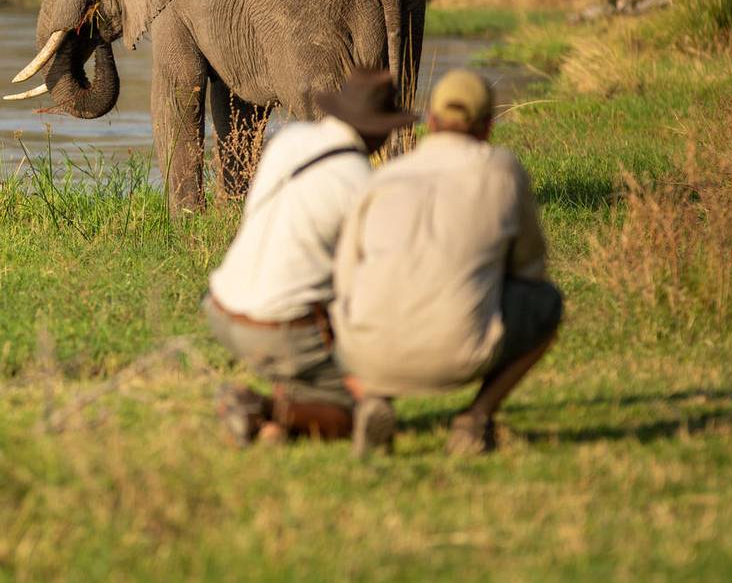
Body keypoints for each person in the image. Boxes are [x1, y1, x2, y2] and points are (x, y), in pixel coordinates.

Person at [331, 68, 562, 455]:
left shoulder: (383, 178)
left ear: (430, 122)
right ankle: (475, 418)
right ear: (488, 126)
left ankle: (373, 401)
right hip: (462, 352)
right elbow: (530, 269)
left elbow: (343, 278)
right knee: (546, 302)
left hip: (366, 354)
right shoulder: (503, 170)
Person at [205, 71, 416, 445]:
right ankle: (259, 407)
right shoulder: (362, 184)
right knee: (358, 410)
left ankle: (275, 427)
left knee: (313, 348)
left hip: (222, 308)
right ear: (379, 130)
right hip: (275, 329)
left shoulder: (290, 141)